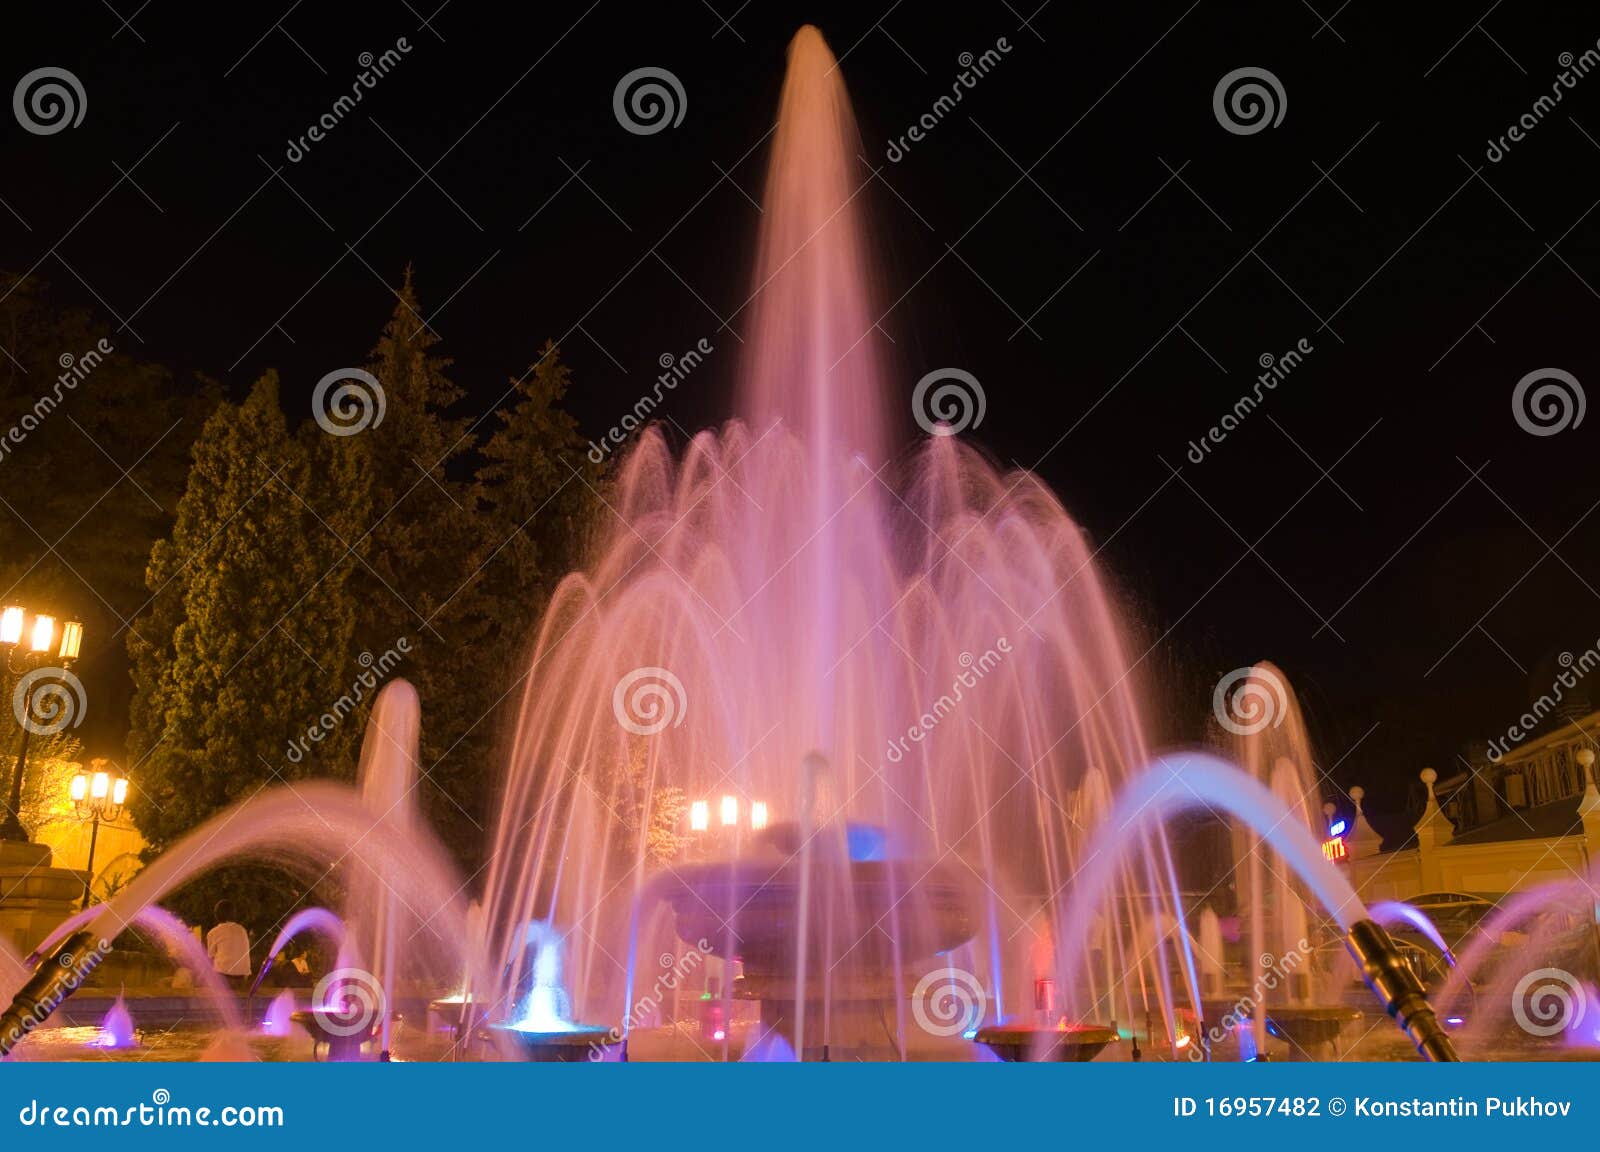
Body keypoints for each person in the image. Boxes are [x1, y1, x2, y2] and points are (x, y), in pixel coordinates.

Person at [205, 901, 252, 993]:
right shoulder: (242, 930)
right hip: (242, 978)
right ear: (234, 914)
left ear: (216, 915)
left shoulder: (213, 932)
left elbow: (210, 956)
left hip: (223, 978)